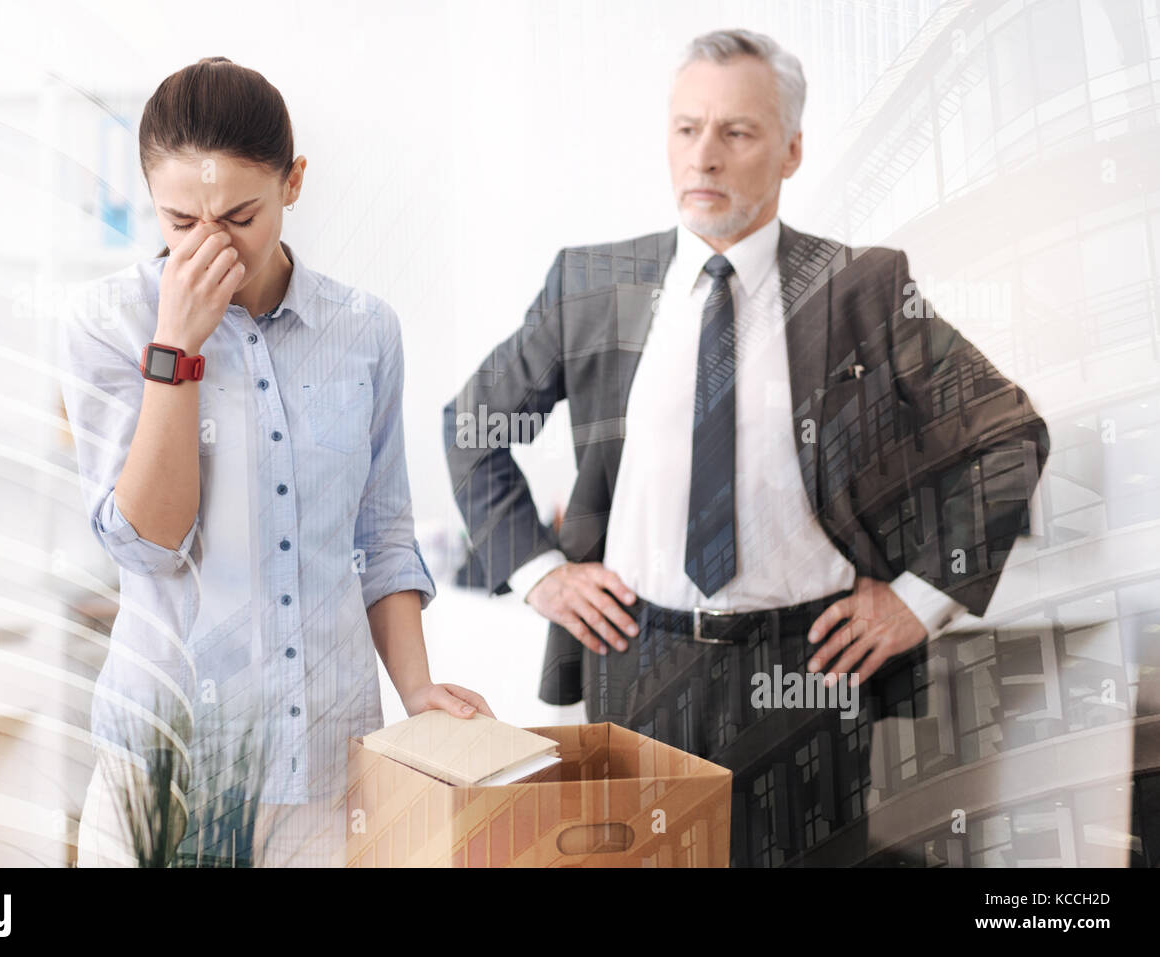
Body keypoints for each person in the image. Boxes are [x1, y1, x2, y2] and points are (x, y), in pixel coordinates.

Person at [444, 29, 1049, 866]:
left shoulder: (861, 288)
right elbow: (474, 426)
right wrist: (539, 572)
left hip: (809, 661)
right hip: (636, 657)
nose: (706, 157)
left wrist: (919, 596)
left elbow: (1008, 434)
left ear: (791, 149)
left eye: (738, 132)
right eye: (687, 129)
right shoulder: (592, 285)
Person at [60, 56, 491, 868]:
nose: (209, 246)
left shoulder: (364, 330)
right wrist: (176, 350)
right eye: (180, 221)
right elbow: (150, 543)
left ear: (293, 183)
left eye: (240, 216)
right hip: (167, 769)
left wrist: (417, 686)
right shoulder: (106, 320)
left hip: (327, 772)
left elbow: (382, 532)